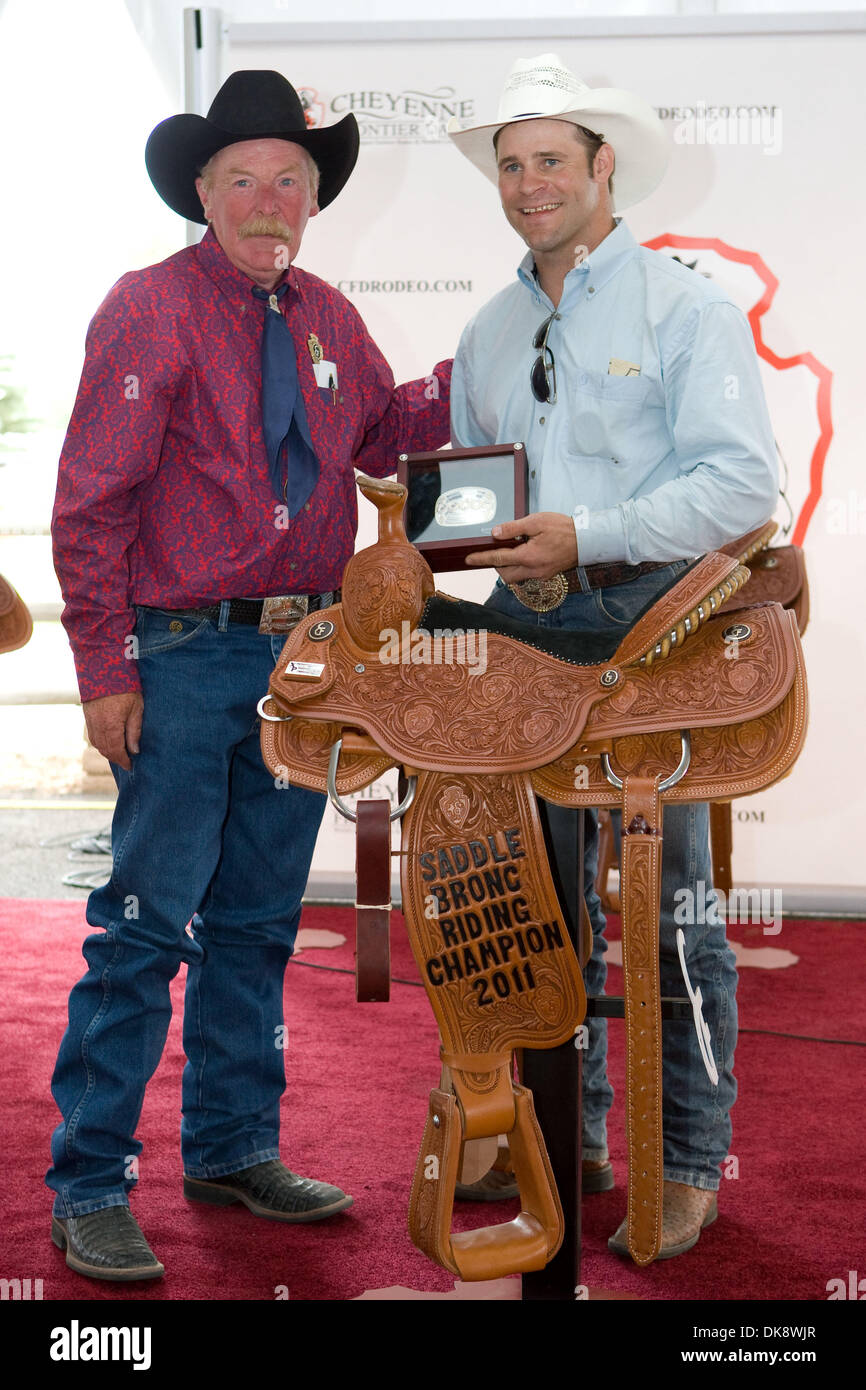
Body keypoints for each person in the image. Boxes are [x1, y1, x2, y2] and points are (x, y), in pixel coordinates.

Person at [48, 69, 451, 1282]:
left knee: (260, 923)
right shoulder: (148, 307)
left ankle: (230, 1146)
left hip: (302, 659)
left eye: (290, 178)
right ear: (204, 193)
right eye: (242, 179)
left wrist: (492, 364)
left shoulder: (331, 316)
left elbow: (386, 439)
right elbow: (92, 501)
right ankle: (88, 1182)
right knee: (140, 926)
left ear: (314, 197)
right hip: (178, 655)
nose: (268, 198)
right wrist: (103, 664)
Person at [447, 53, 777, 1259]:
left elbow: (742, 483)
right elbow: (478, 496)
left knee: (672, 910)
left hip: (660, 629)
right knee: (534, 910)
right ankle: (563, 1134)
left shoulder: (686, 307)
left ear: (602, 169)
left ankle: (685, 1157)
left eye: (551, 161)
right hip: (532, 628)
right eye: (511, 165)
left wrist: (588, 534)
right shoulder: (485, 332)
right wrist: (497, 549)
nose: (530, 184)